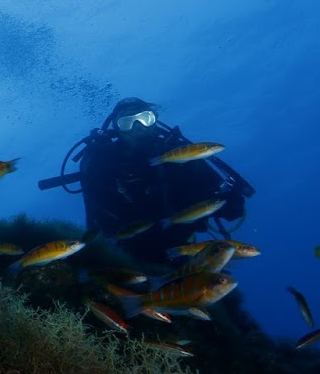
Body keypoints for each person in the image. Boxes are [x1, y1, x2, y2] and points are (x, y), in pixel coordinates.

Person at [39, 97, 253, 264]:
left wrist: (229, 200)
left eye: (145, 118)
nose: (139, 127)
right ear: (117, 130)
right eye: (127, 123)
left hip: (182, 251)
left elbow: (229, 210)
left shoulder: (182, 154)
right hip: (127, 257)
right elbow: (98, 222)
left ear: (155, 120)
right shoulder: (102, 162)